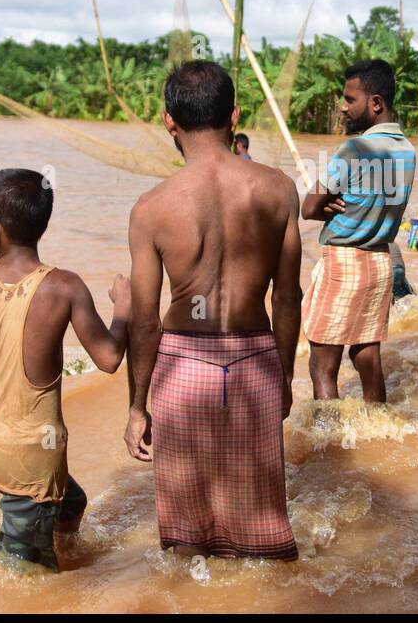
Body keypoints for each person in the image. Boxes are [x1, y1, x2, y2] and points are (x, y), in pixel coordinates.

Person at [124, 60, 301, 561]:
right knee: (263, 535)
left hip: (181, 368)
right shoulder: (277, 189)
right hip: (254, 363)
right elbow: (287, 297)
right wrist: (283, 376)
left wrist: (137, 407)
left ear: (168, 121)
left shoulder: (151, 207)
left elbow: (143, 319)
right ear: (235, 115)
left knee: (185, 542)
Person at [0, 169, 130, 572]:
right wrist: (124, 307)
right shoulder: (65, 286)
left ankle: (63, 544)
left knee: (73, 504)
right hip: (33, 454)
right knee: (27, 572)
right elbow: (109, 358)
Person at [301, 59, 416, 402]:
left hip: (344, 263)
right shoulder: (407, 150)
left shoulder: (354, 149)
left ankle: (328, 447)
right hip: (380, 262)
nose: (343, 106)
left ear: (376, 103)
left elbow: (308, 208)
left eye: (350, 100)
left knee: (323, 365)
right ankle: (377, 430)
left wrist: (330, 203)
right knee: (366, 356)